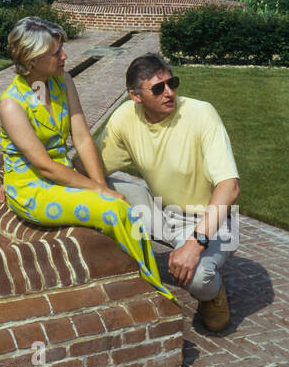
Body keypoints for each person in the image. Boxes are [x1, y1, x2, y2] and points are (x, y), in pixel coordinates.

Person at [0, 17, 176, 304]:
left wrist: (98, 182)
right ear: (32, 59)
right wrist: (100, 191)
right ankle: (150, 287)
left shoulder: (62, 81)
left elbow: (81, 137)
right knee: (114, 210)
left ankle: (141, 277)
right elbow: (44, 166)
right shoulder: (12, 104)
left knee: (118, 201)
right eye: (56, 53)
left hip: (62, 175)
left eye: (62, 49)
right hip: (32, 190)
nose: (64, 57)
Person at [96, 52, 240, 333]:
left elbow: (229, 186)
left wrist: (194, 244)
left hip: (212, 221)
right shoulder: (126, 117)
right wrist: (34, 178)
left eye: (172, 83)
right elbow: (87, 166)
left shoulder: (201, 114)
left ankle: (214, 295)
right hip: (160, 209)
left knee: (197, 277)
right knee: (94, 192)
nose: (169, 93)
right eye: (158, 88)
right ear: (136, 96)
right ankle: (116, 270)